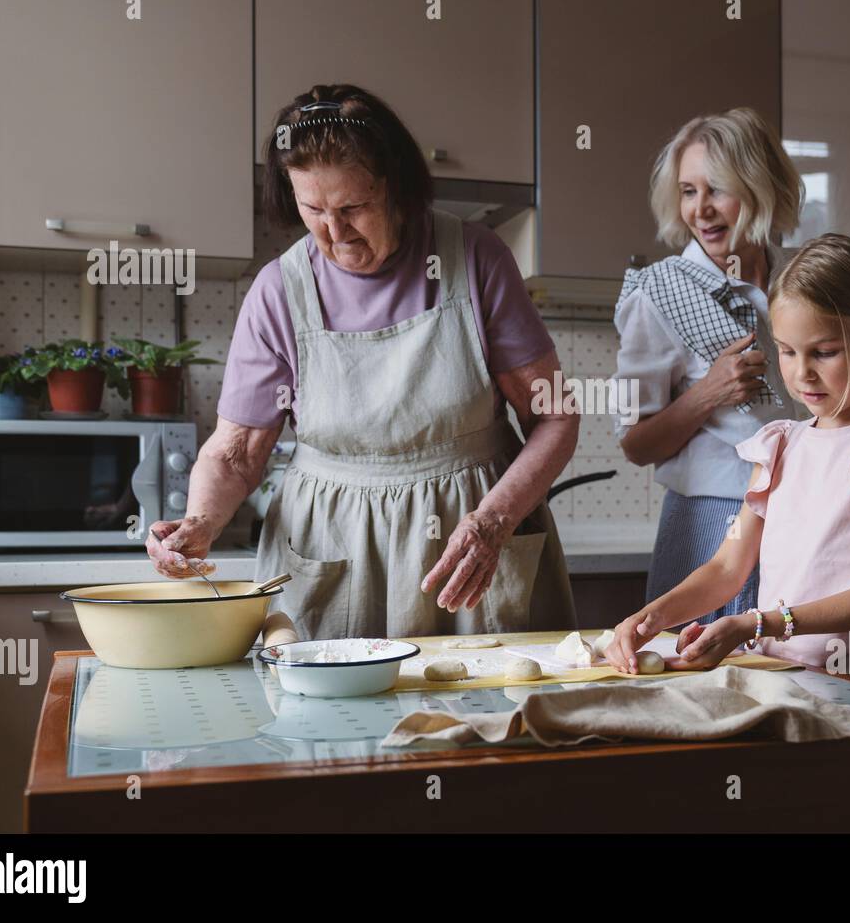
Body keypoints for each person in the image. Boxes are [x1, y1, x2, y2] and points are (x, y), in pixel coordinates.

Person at [145, 83, 577, 641]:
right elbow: (234, 454)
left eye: (353, 207)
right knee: (325, 723)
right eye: (312, 209)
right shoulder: (280, 290)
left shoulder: (474, 259)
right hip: (328, 549)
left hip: (469, 549)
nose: (334, 231)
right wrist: (200, 523)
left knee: (486, 716)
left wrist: (493, 522)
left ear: (395, 187)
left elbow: (556, 417)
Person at [604, 233, 850, 691]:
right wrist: (650, 617)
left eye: (824, 352)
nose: (802, 373)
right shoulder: (779, 445)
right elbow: (727, 568)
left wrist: (757, 624)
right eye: (786, 350)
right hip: (779, 678)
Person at [612, 108, 805, 627]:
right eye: (688, 191)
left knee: (790, 678)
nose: (701, 210)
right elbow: (634, 444)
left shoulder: (802, 277)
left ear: (760, 187)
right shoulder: (660, 293)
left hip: (800, 513)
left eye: (717, 189)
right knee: (697, 680)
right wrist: (708, 394)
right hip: (709, 520)